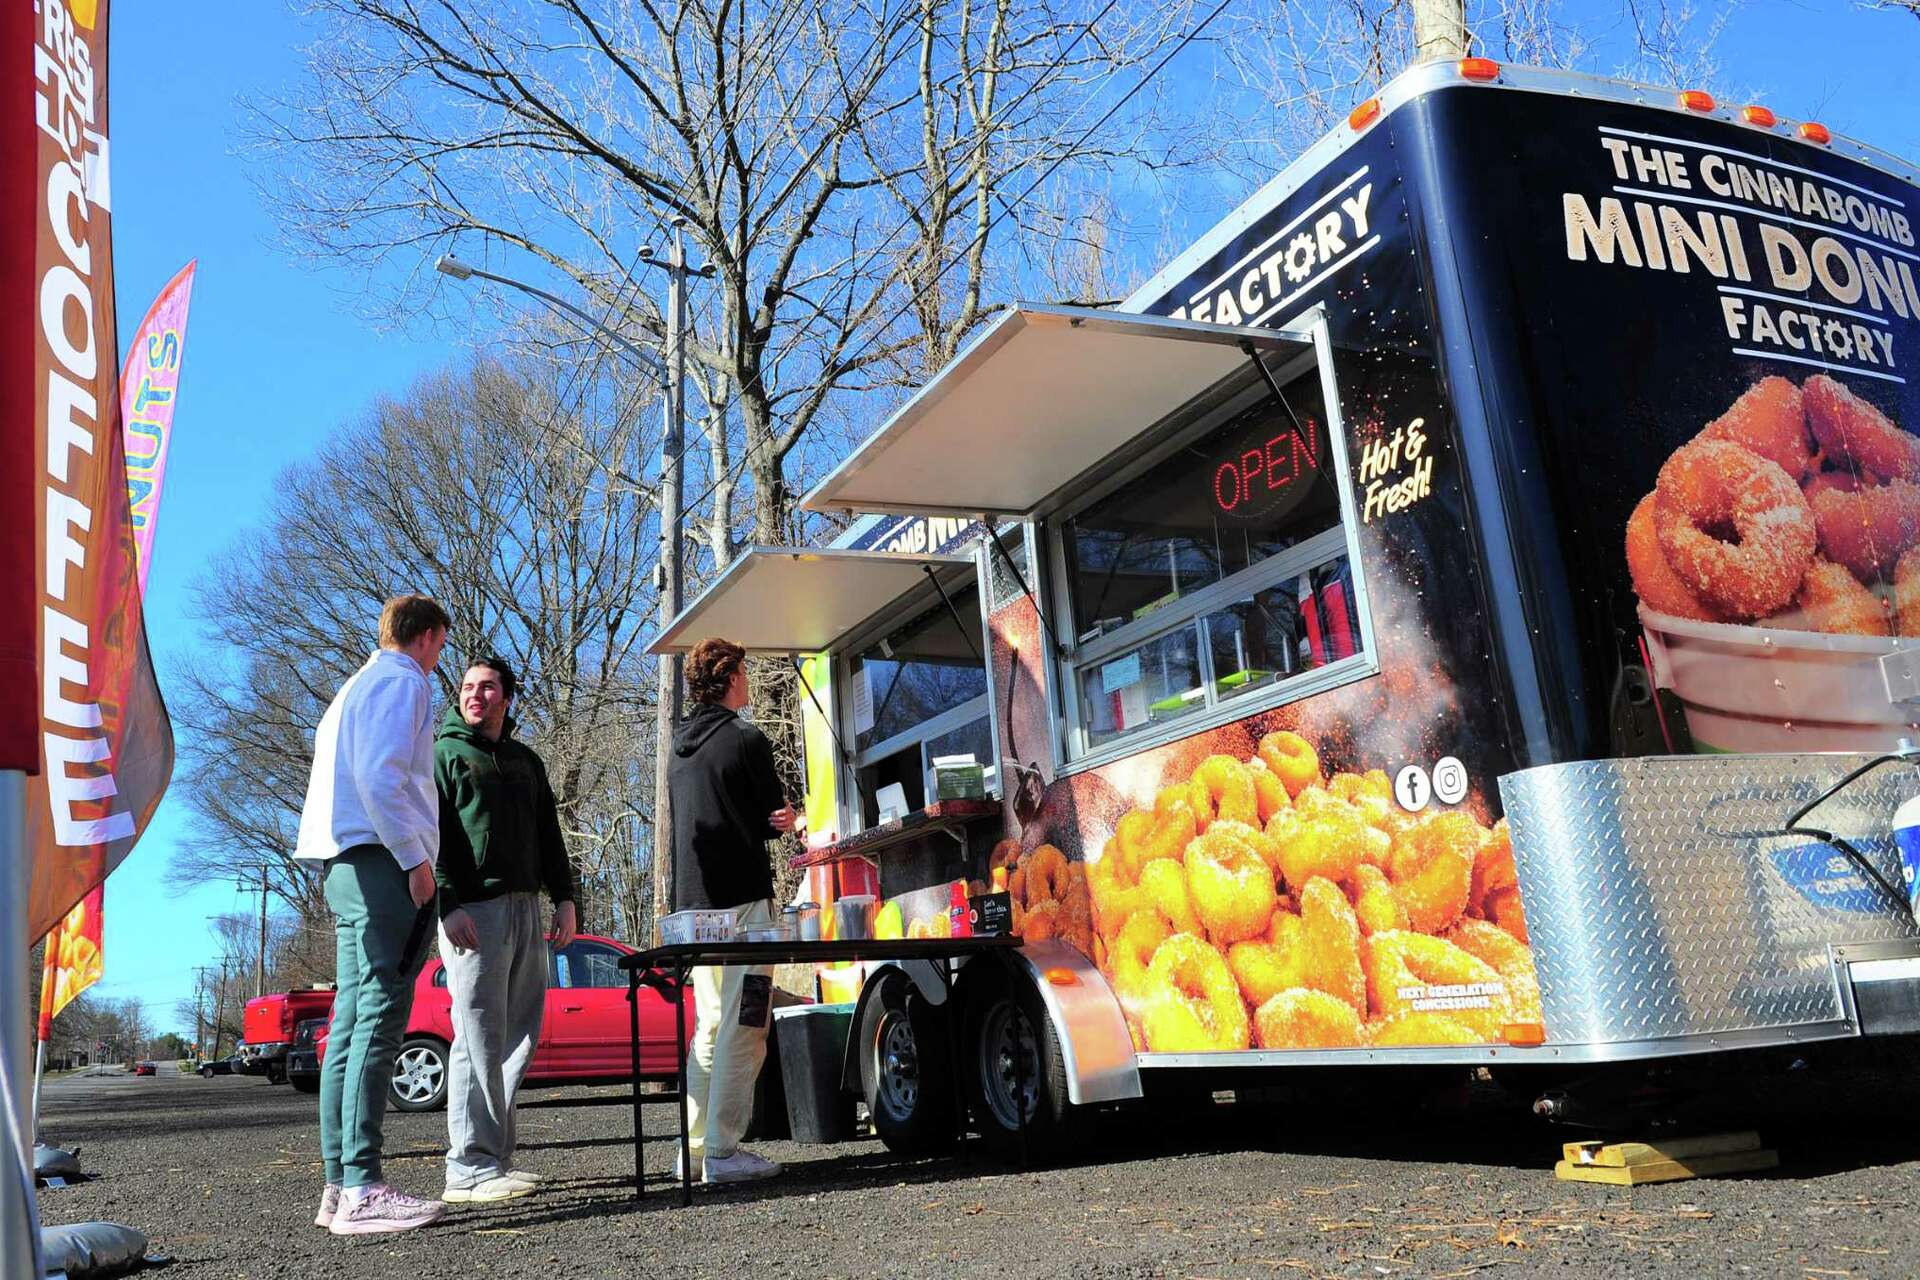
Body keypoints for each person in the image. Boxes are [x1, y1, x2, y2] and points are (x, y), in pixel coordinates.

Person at [294, 594, 451, 1236]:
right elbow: (381, 776)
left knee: (353, 1020)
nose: (440, 659)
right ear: (427, 637)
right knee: (382, 1017)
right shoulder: (400, 681)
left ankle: (340, 1183)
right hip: (380, 859)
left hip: (345, 861)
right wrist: (415, 858)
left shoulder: (353, 687)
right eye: (441, 645)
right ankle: (361, 1185)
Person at [433, 654, 578, 1204]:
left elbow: (549, 835)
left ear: (507, 697)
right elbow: (434, 837)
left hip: (526, 906)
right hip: (473, 911)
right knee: (476, 1037)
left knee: (518, 1034)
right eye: (468, 687)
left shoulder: (525, 760)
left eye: (487, 687)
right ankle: (467, 1168)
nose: (475, 695)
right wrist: (448, 906)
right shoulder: (444, 755)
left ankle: (495, 1160)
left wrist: (564, 899)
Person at [667, 637, 800, 1185]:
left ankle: (693, 1150)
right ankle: (723, 1152)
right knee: (747, 1021)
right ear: (729, 679)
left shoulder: (679, 746)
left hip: (695, 910)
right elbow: (775, 815)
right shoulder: (746, 738)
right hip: (744, 904)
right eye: (744, 672)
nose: (748, 681)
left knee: (711, 1024)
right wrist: (790, 818)